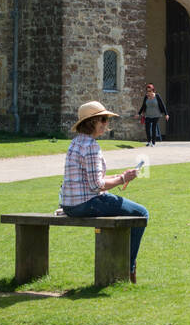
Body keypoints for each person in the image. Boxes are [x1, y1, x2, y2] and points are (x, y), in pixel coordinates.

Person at [60, 100, 148, 283]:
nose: (106, 124)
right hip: (86, 204)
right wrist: (123, 179)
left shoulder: (76, 143)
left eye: (107, 119)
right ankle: (128, 267)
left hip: (70, 205)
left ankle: (123, 264)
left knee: (129, 212)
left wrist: (120, 176)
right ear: (91, 122)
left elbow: (91, 181)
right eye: (103, 119)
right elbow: (96, 186)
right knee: (141, 214)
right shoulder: (91, 146)